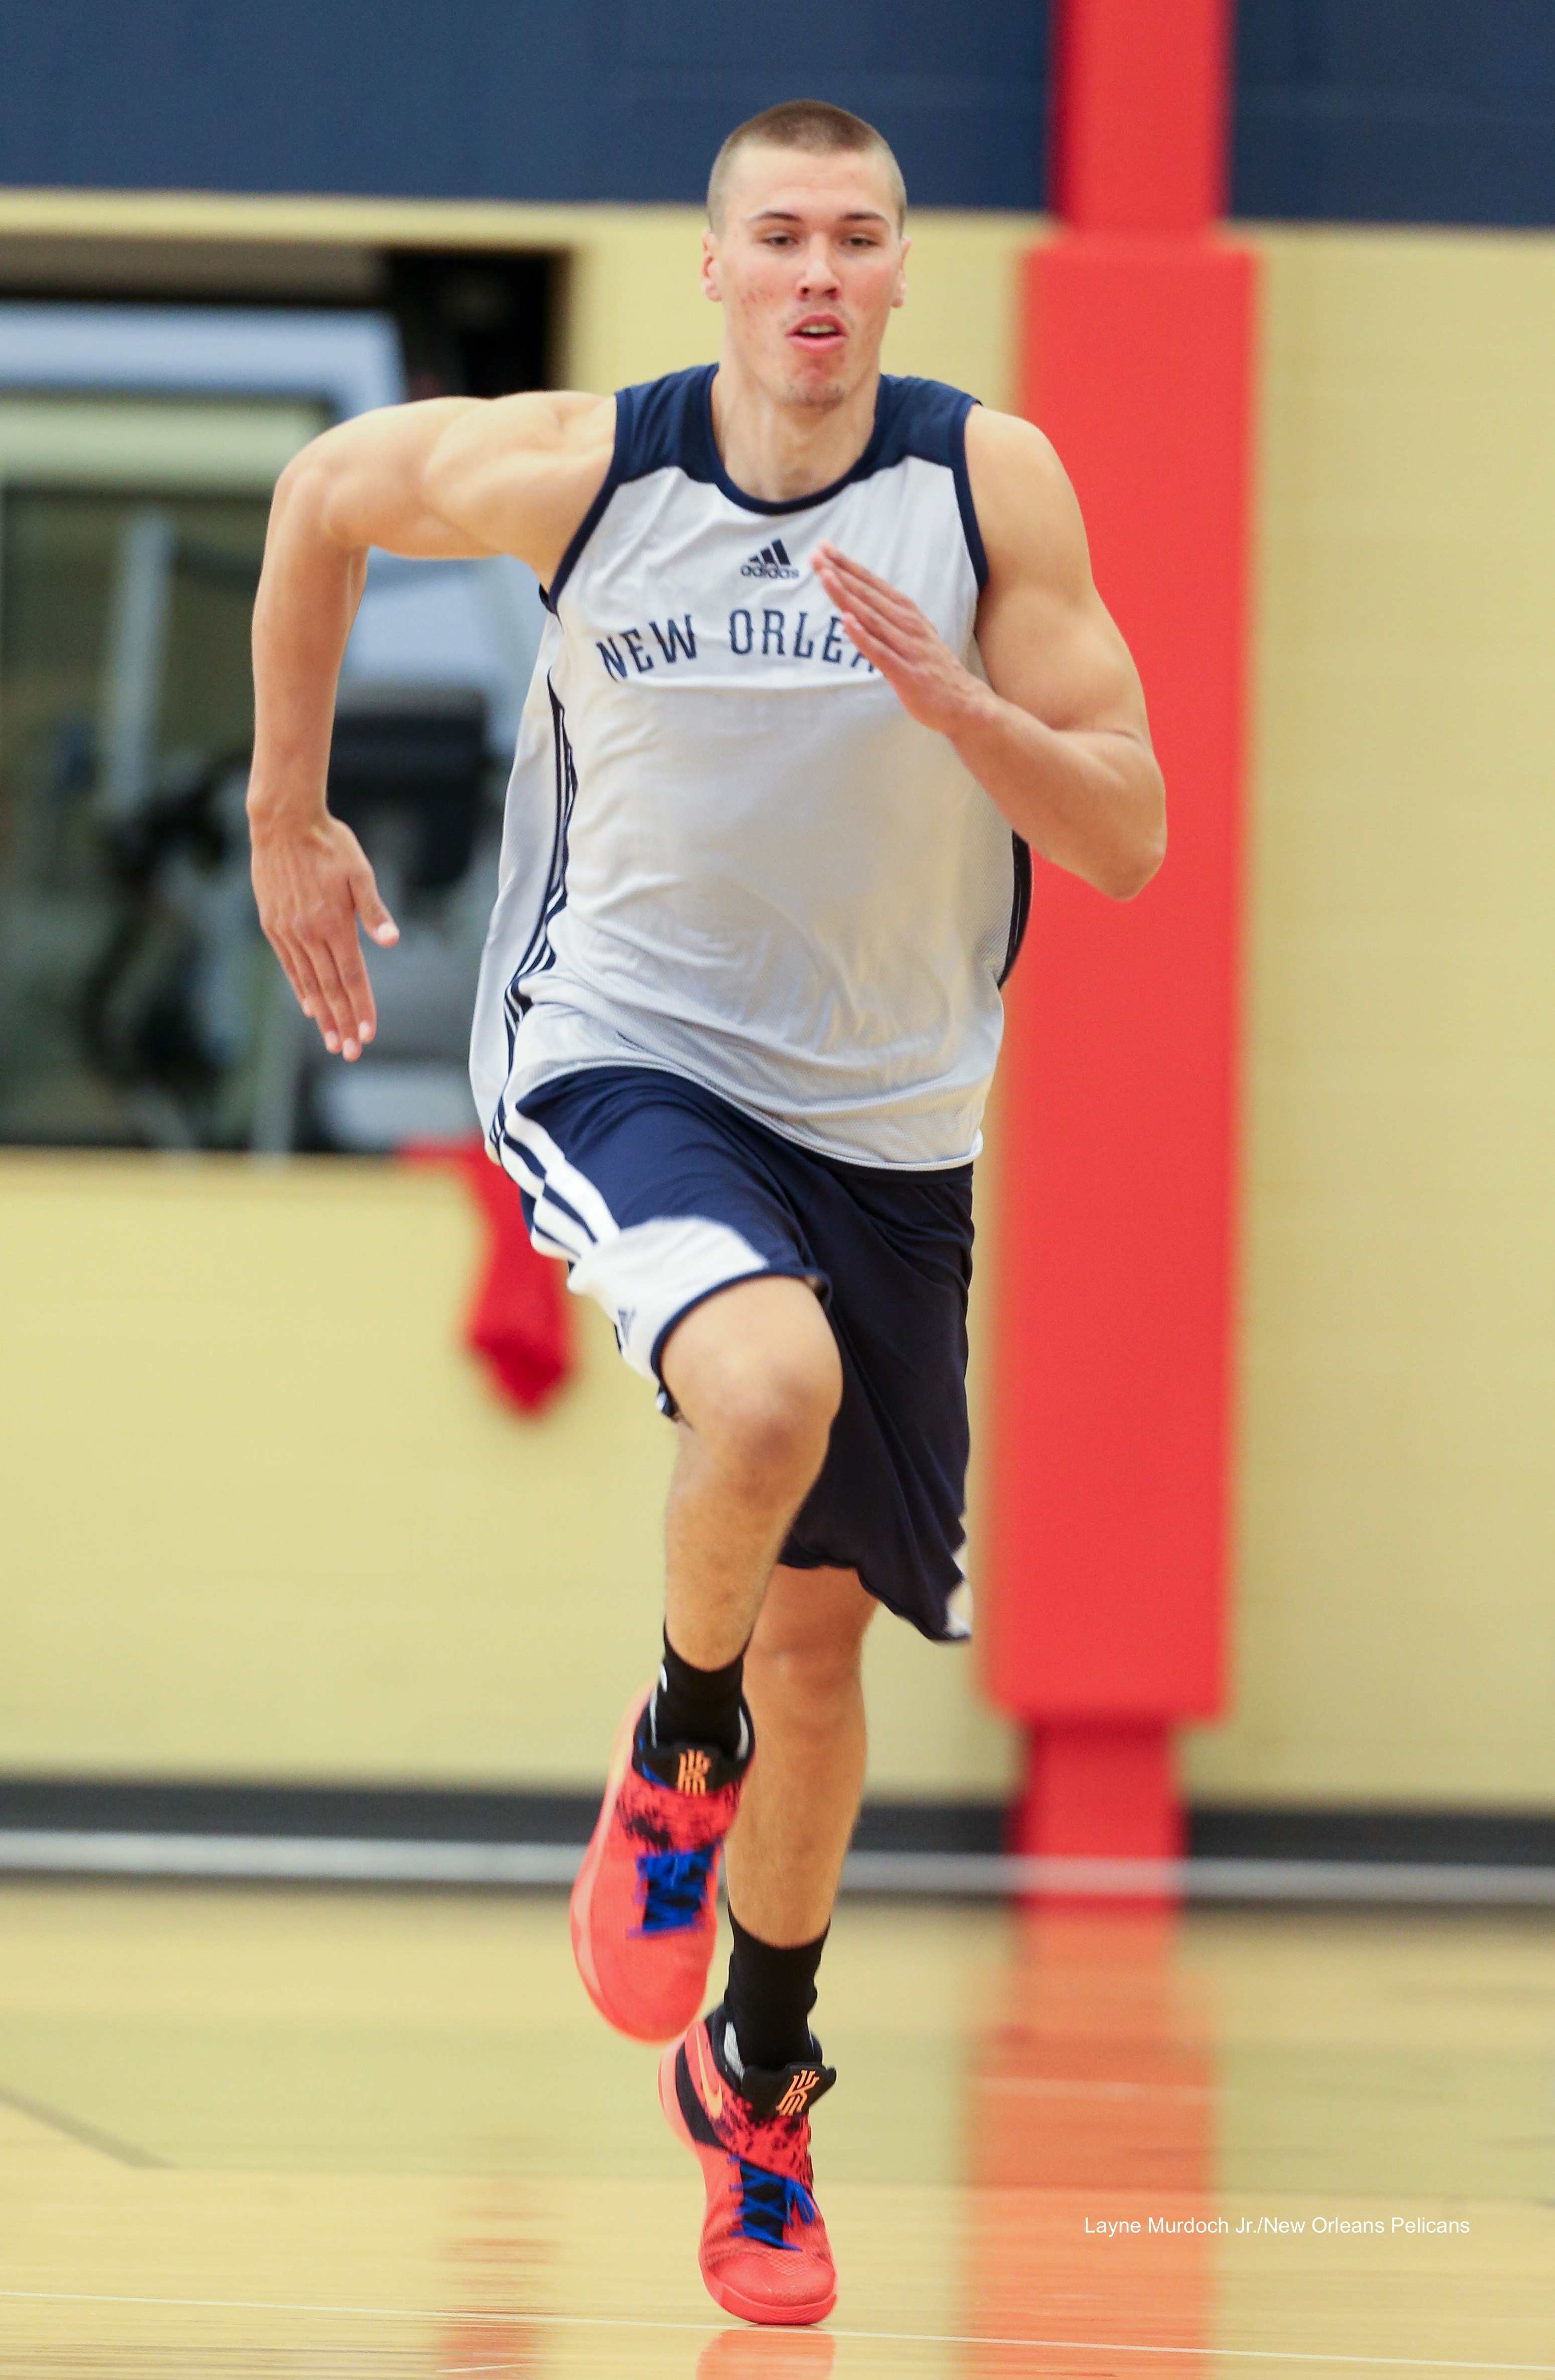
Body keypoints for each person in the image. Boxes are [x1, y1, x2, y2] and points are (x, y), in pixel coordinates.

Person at [247, 98, 1165, 2330]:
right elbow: (323, 491)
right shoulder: (597, 468)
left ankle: (755, 2078)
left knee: (829, 1643)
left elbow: (1126, 830)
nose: (820, 271)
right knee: (759, 1378)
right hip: (624, 1051)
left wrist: (967, 714)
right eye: (781, 236)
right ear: (717, 267)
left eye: (859, 236)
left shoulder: (983, 484)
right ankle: (672, 1747)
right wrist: (292, 808)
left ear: (897, 271)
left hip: (892, 1121)